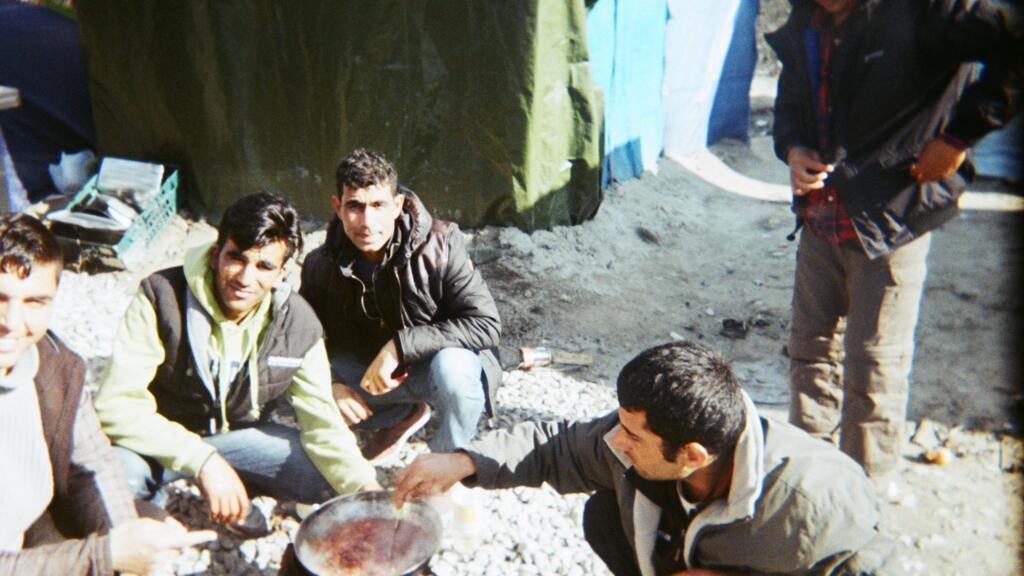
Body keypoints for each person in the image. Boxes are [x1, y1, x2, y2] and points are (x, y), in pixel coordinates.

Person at [767, 0, 1021, 476]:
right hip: (822, 218)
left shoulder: (928, 9)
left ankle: (863, 499)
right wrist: (793, 146)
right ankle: (806, 484)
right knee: (810, 352)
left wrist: (957, 138)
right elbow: (793, 92)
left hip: (892, 219)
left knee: (873, 368)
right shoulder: (808, 16)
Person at [394, 342, 894, 575]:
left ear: (692, 454)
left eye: (634, 435)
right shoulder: (632, 440)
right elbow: (559, 444)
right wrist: (464, 460)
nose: (617, 441)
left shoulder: (817, 499)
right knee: (605, 515)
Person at [95, 192, 378, 533]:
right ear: (216, 255)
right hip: (161, 437)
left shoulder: (300, 326)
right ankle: (153, 519)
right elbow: (114, 404)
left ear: (281, 273)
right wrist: (203, 462)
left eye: (264, 266)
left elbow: (323, 424)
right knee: (112, 481)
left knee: (331, 477)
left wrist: (366, 488)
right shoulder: (160, 297)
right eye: (236, 258)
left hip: (236, 439)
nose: (245, 278)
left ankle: (238, 493)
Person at [0, 213, 214, 575]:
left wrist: (127, 541)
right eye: (1, 298)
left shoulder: (57, 365)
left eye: (34, 301)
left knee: (146, 528)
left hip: (28, 529)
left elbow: (92, 463)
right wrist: (105, 557)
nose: (11, 322)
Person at [300, 148, 501, 464]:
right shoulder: (319, 264)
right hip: (369, 371)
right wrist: (332, 385)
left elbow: (485, 324)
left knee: (456, 372)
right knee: (291, 395)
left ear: (397, 206)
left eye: (378, 205)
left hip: (430, 366)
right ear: (337, 207)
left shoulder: (441, 244)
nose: (367, 222)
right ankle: (400, 413)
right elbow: (300, 341)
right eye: (355, 206)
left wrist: (399, 347)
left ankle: (447, 463)